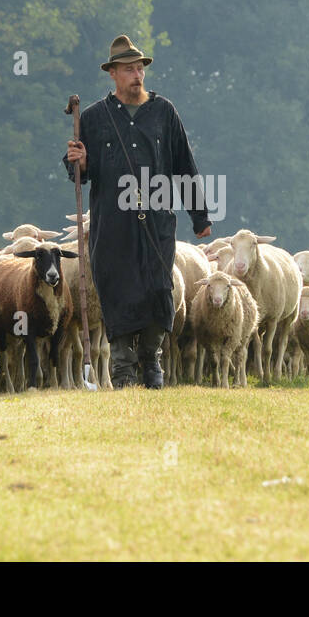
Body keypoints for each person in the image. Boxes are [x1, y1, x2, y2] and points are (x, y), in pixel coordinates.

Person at [63, 35, 212, 389]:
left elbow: (184, 167)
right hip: (112, 224)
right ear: (113, 74)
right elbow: (78, 171)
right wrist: (79, 162)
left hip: (156, 219)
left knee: (158, 287)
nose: (137, 74)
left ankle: (151, 359)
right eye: (128, 69)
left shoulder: (164, 113)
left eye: (140, 68)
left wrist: (200, 217)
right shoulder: (96, 118)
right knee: (116, 287)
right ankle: (122, 366)